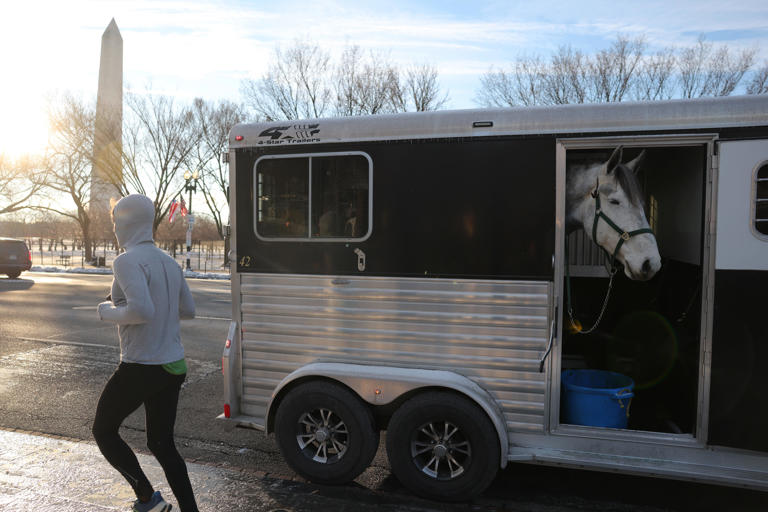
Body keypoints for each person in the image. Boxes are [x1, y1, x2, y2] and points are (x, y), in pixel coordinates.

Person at [93, 194, 199, 512]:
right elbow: (188, 309)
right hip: (173, 365)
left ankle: (147, 499)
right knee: (162, 444)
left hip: (142, 365)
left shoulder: (126, 260)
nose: (114, 229)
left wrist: (106, 310)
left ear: (126, 224)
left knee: (104, 430)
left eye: (115, 222)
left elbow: (141, 310)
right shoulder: (168, 261)